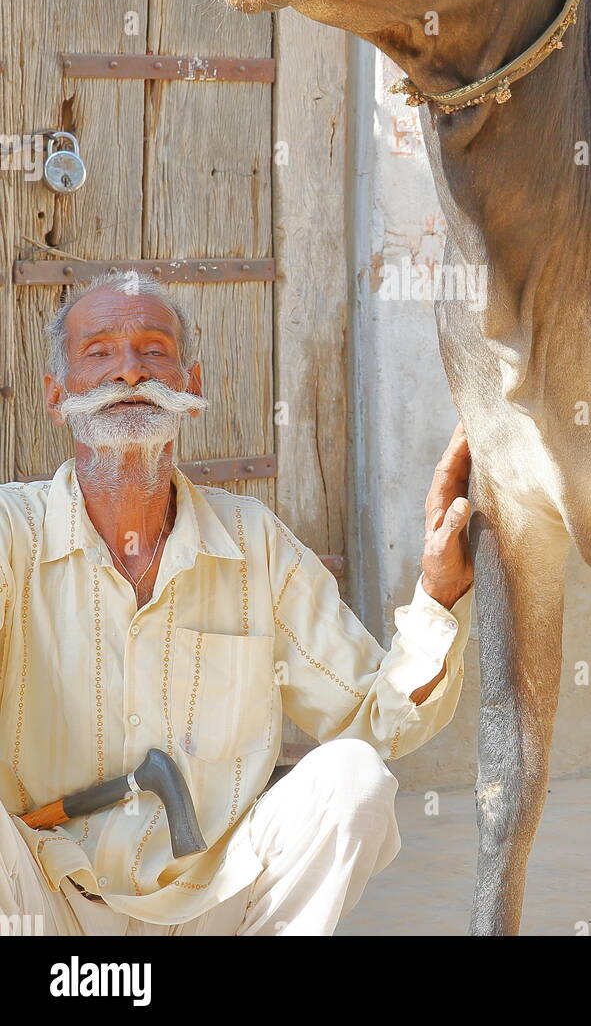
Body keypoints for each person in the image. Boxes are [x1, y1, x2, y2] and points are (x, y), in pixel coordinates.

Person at [0, 272, 473, 935]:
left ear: (190, 386)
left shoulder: (254, 544)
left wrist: (440, 589)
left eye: (154, 349)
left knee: (354, 779)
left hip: (217, 898)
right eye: (100, 352)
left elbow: (375, 716)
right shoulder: (10, 537)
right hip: (47, 897)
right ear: (57, 397)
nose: (130, 371)